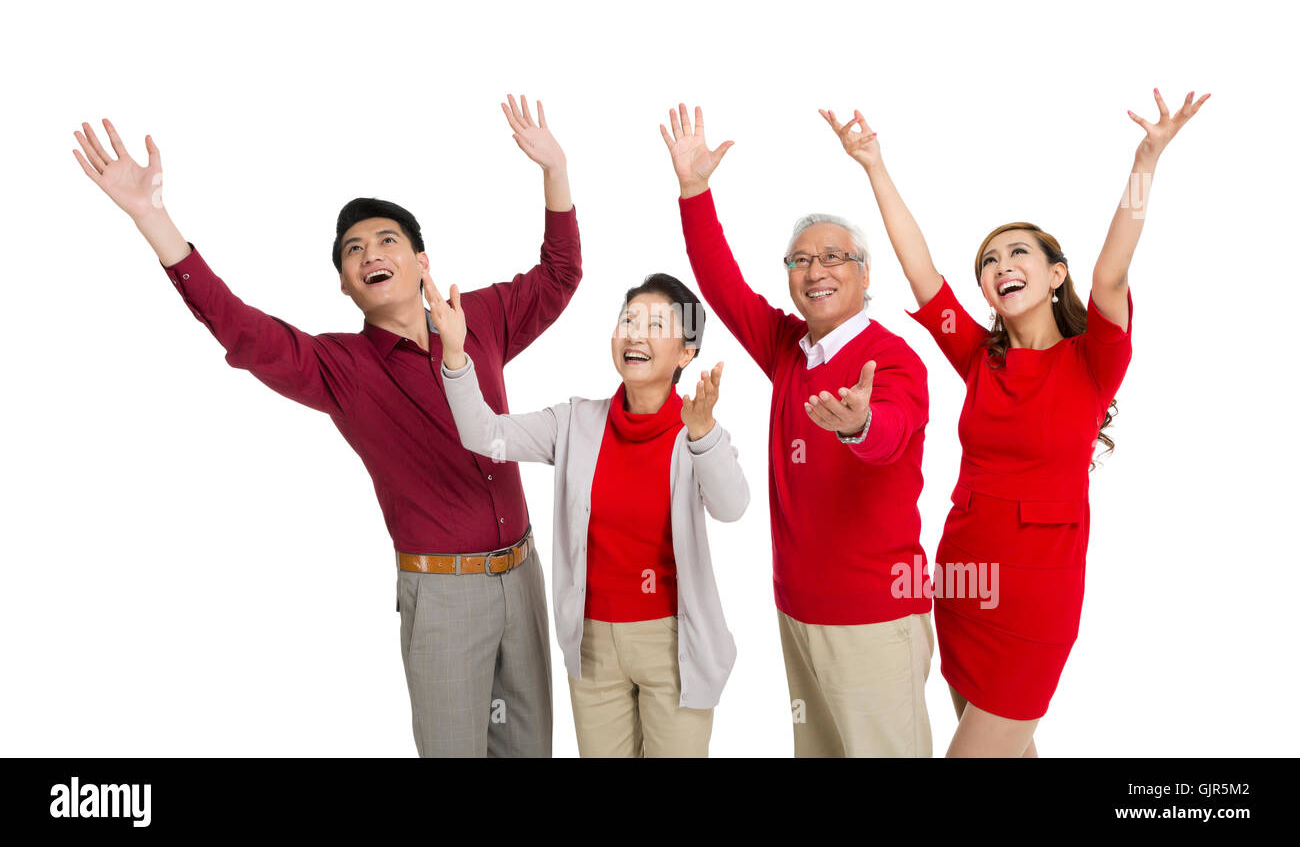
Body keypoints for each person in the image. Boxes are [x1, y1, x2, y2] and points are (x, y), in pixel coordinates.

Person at [71, 95, 582, 757]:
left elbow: (560, 275)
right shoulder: (339, 365)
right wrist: (153, 218)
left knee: (529, 751)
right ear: (346, 284)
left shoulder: (475, 317)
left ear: (422, 261)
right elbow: (240, 329)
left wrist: (556, 171)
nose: (371, 253)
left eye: (388, 240)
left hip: (523, 575)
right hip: (444, 594)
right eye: (353, 251)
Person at [819, 87, 1209, 756]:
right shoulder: (977, 359)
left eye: (1019, 253)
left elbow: (1112, 274)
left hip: (1035, 608)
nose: (1002, 266)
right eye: (990, 262)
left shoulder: (1093, 361)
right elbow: (921, 272)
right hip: (964, 584)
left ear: (1057, 274)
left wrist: (1146, 159)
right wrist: (873, 165)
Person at [662, 103, 934, 758]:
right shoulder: (789, 347)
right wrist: (695, 192)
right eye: (800, 260)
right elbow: (723, 289)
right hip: (798, 610)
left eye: (835, 257)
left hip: (872, 617)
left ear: (866, 275)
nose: (816, 271)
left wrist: (858, 425)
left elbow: (891, 431)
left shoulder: (892, 357)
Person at [427, 271, 749, 757]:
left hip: (674, 644)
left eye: (657, 324)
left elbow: (732, 507)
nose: (635, 334)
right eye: (627, 320)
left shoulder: (697, 433)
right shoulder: (574, 422)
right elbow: (482, 433)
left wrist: (703, 434)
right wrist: (455, 352)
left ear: (686, 353)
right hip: (592, 642)